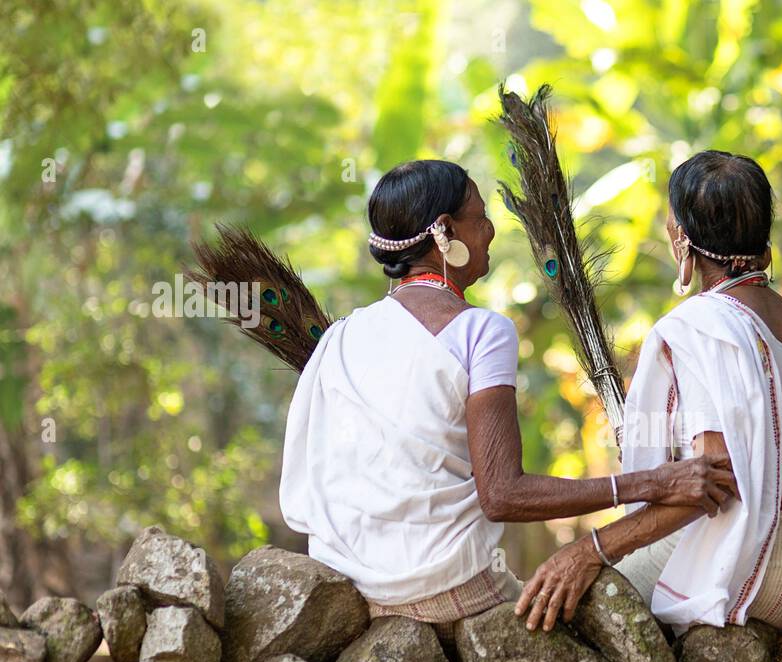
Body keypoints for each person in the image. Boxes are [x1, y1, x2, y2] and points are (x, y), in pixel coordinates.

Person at [280, 159, 735, 628]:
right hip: (445, 588)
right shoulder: (481, 330)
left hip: (356, 587)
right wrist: (654, 483)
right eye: (479, 218)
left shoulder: (339, 337)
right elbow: (502, 494)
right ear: (444, 232)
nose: (491, 230)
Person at [516, 150, 782, 636]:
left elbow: (715, 483)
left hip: (750, 546)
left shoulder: (703, 323)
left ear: (683, 238)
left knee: (575, 618)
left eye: (670, 221)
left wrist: (591, 549)